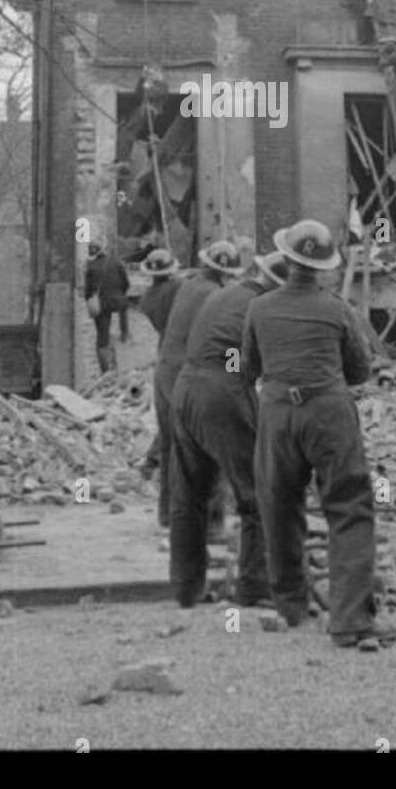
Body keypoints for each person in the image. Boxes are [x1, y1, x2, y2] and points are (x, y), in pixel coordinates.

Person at [243, 218, 392, 651]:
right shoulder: (338, 309)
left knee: (278, 502)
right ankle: (349, 619)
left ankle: (290, 604)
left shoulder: (259, 307)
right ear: (323, 266)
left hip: (276, 412)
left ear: (285, 258)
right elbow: (360, 371)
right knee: (348, 506)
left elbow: (248, 367)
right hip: (328, 411)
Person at [169, 251, 288, 608]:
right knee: (257, 493)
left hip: (186, 387)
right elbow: (252, 364)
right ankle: (254, 586)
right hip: (221, 393)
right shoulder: (261, 307)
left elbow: (230, 353)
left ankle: (187, 588)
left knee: (190, 495)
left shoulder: (224, 294)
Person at [152, 241, 244, 530]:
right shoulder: (219, 296)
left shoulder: (189, 285)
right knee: (210, 446)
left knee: (171, 448)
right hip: (189, 379)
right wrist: (236, 373)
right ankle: (211, 523)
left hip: (165, 372)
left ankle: (168, 515)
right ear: (228, 274)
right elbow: (227, 341)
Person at [138, 248, 182, 480]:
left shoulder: (147, 298)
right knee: (182, 414)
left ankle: (153, 461)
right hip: (184, 358)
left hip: (164, 356)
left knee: (167, 414)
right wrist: (233, 367)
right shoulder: (177, 289)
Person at [83, 241, 130, 375]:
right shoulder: (116, 262)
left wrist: (90, 301)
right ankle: (125, 334)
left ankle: (105, 370)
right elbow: (126, 283)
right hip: (118, 300)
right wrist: (119, 293)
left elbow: (87, 292)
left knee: (102, 337)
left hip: (101, 304)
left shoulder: (90, 266)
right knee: (123, 307)